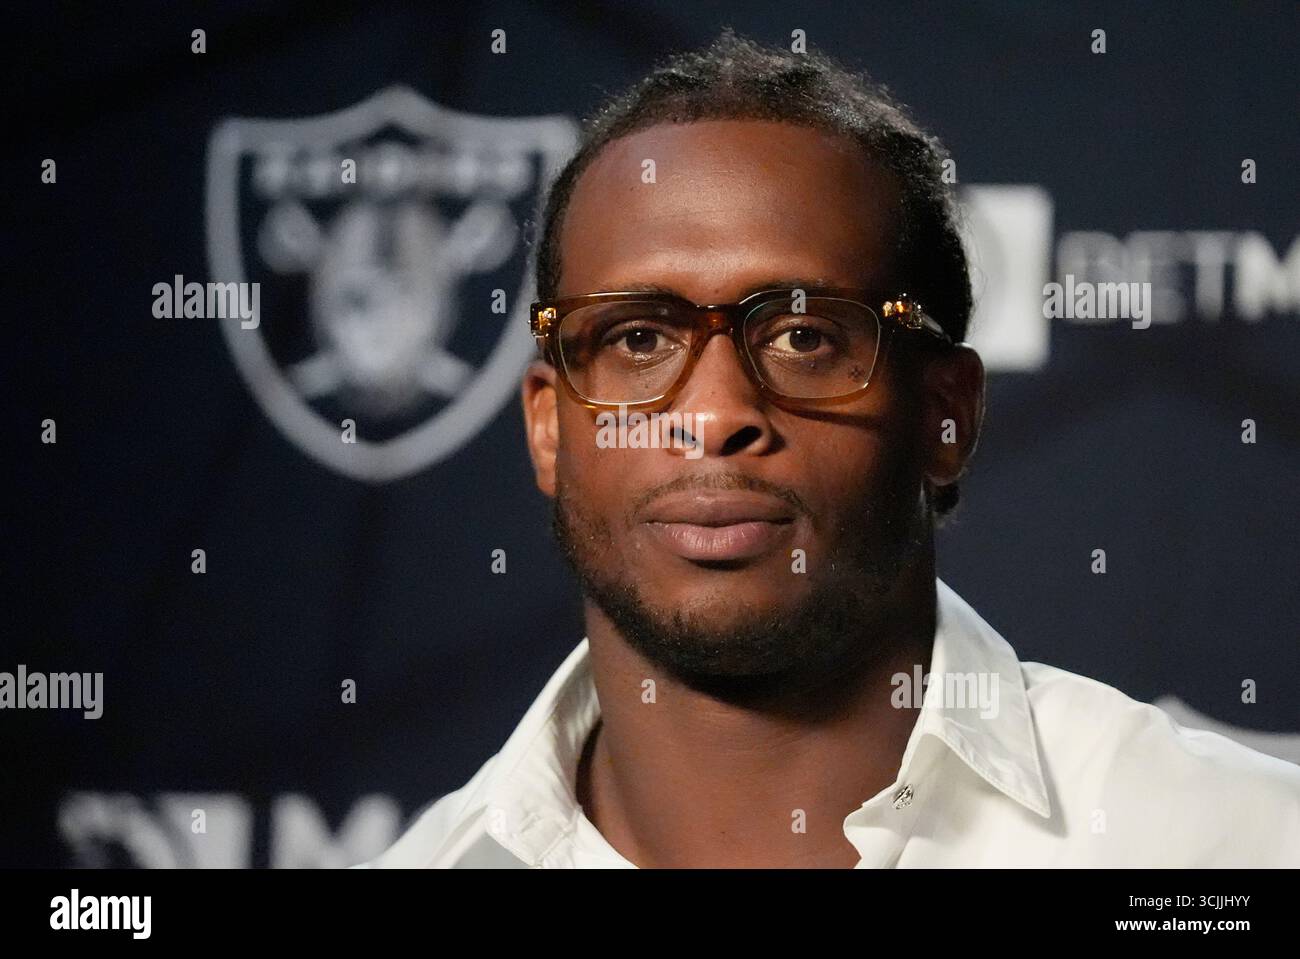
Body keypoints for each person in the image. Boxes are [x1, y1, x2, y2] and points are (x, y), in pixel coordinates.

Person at [361, 28, 1300, 868]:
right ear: (547, 428)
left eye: (803, 337)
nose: (714, 414)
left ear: (946, 414)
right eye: (638, 338)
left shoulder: (1232, 844)